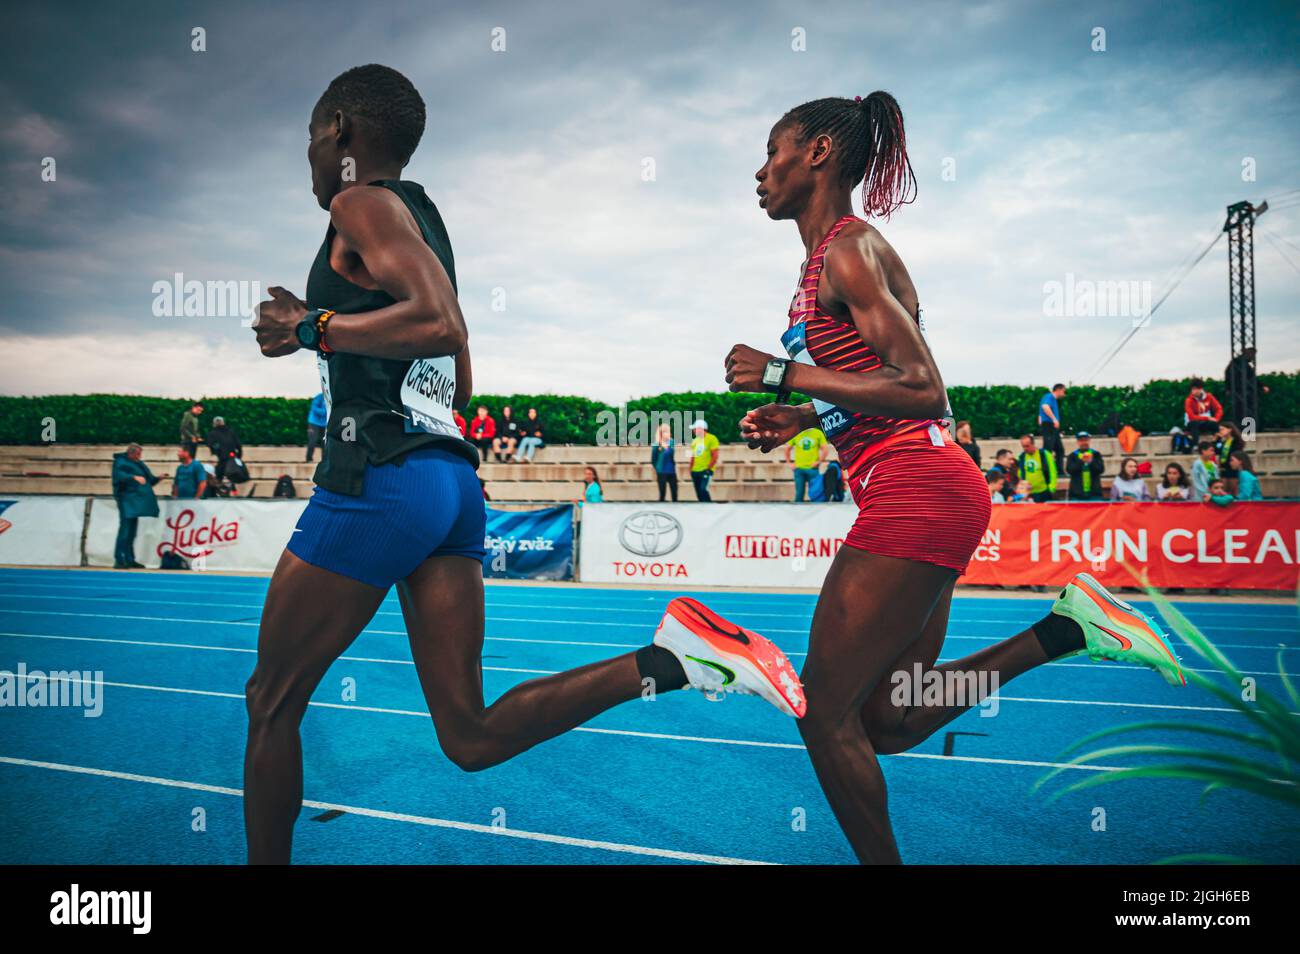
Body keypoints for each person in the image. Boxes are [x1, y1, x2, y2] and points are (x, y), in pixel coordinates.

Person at [244, 65, 804, 865]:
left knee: (271, 700)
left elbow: (437, 323)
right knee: (468, 736)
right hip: (448, 482)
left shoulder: (358, 202)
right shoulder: (423, 220)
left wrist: (311, 329)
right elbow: (458, 354)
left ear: (338, 129)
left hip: (380, 474)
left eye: (309, 134)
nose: (306, 152)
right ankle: (672, 657)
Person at [727, 90, 1183, 863]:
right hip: (925, 486)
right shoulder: (827, 261)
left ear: (818, 154)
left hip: (916, 489)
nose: (759, 171)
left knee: (823, 713)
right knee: (890, 720)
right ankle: (1066, 629)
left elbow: (923, 388)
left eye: (773, 151)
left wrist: (785, 376)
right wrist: (803, 418)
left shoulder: (847, 249)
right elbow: (882, 386)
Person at [111, 443, 161, 568]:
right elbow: (119, 476)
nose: (140, 456)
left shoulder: (139, 464)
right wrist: (134, 477)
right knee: (125, 530)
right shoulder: (120, 462)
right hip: (126, 500)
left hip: (136, 502)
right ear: (131, 453)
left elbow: (150, 480)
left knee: (132, 531)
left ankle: (130, 558)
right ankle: (119, 559)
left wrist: (159, 478)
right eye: (138, 454)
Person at [785, 426, 828, 501]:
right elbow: (787, 449)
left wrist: (818, 462)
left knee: (816, 494)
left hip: (813, 469)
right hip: (799, 469)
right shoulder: (795, 432)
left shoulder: (818, 433)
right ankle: (797, 512)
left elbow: (825, 449)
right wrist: (789, 463)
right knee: (799, 494)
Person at [1017, 433, 1057, 503]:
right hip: (1028, 493)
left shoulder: (1044, 454)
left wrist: (1051, 488)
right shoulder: (1022, 457)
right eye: (1023, 446)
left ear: (1033, 444)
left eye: (1027, 446)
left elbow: (1053, 471)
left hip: (1044, 491)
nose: (1025, 449)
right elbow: (1020, 473)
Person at [1064, 431, 1104, 501]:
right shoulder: (1072, 455)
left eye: (1086, 440)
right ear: (1078, 442)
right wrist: (1081, 461)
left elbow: (1101, 470)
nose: (1084, 442)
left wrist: (1091, 462)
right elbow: (1069, 470)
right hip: (1077, 494)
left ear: (1089, 441)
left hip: (1094, 494)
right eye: (1081, 440)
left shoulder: (1096, 454)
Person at [1037, 383, 1066, 473]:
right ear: (1059, 389)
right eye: (1064, 391)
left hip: (1050, 426)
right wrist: (1054, 419)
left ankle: (1059, 470)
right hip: (1049, 425)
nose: (1064, 394)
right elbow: (1045, 406)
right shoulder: (1049, 396)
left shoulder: (1050, 398)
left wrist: (1040, 419)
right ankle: (1046, 470)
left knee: (1059, 449)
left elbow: (1041, 412)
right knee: (1048, 449)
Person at [689, 419, 719, 501]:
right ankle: (703, 510)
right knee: (698, 493)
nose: (693, 430)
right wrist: (690, 469)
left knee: (703, 490)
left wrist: (708, 469)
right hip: (695, 471)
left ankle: (709, 508)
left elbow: (715, 456)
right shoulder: (695, 441)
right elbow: (693, 456)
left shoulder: (712, 438)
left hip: (705, 470)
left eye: (695, 429)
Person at [1184, 378, 1223, 443]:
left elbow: (1219, 408)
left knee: (1214, 424)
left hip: (1204, 423)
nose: (1196, 391)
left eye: (1198, 389)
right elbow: (1191, 417)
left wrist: (1216, 418)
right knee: (1194, 423)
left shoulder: (1209, 397)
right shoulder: (1189, 400)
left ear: (1202, 389)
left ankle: (1218, 444)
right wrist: (1207, 418)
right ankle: (1195, 444)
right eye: (1193, 389)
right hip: (1191, 424)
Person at [206, 416, 243, 483]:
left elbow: (211, 445)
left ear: (214, 424)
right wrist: (238, 457)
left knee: (218, 477)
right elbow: (239, 446)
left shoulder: (212, 434)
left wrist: (217, 453)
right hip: (232, 458)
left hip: (221, 459)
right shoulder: (231, 432)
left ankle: (218, 490)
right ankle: (233, 490)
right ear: (224, 423)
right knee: (232, 477)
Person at [649, 422, 677, 501]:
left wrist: (666, 446)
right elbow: (653, 459)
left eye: (668, 431)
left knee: (674, 492)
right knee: (662, 493)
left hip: (672, 471)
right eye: (665, 431)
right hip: (661, 471)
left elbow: (671, 452)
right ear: (661, 433)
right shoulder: (656, 444)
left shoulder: (671, 442)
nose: (668, 433)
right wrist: (657, 468)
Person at [306, 392, 328, 461]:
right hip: (314, 423)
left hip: (325, 424)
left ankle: (324, 460)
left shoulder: (332, 398)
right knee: (313, 440)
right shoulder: (319, 397)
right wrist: (325, 412)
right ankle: (309, 458)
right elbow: (314, 408)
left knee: (325, 442)